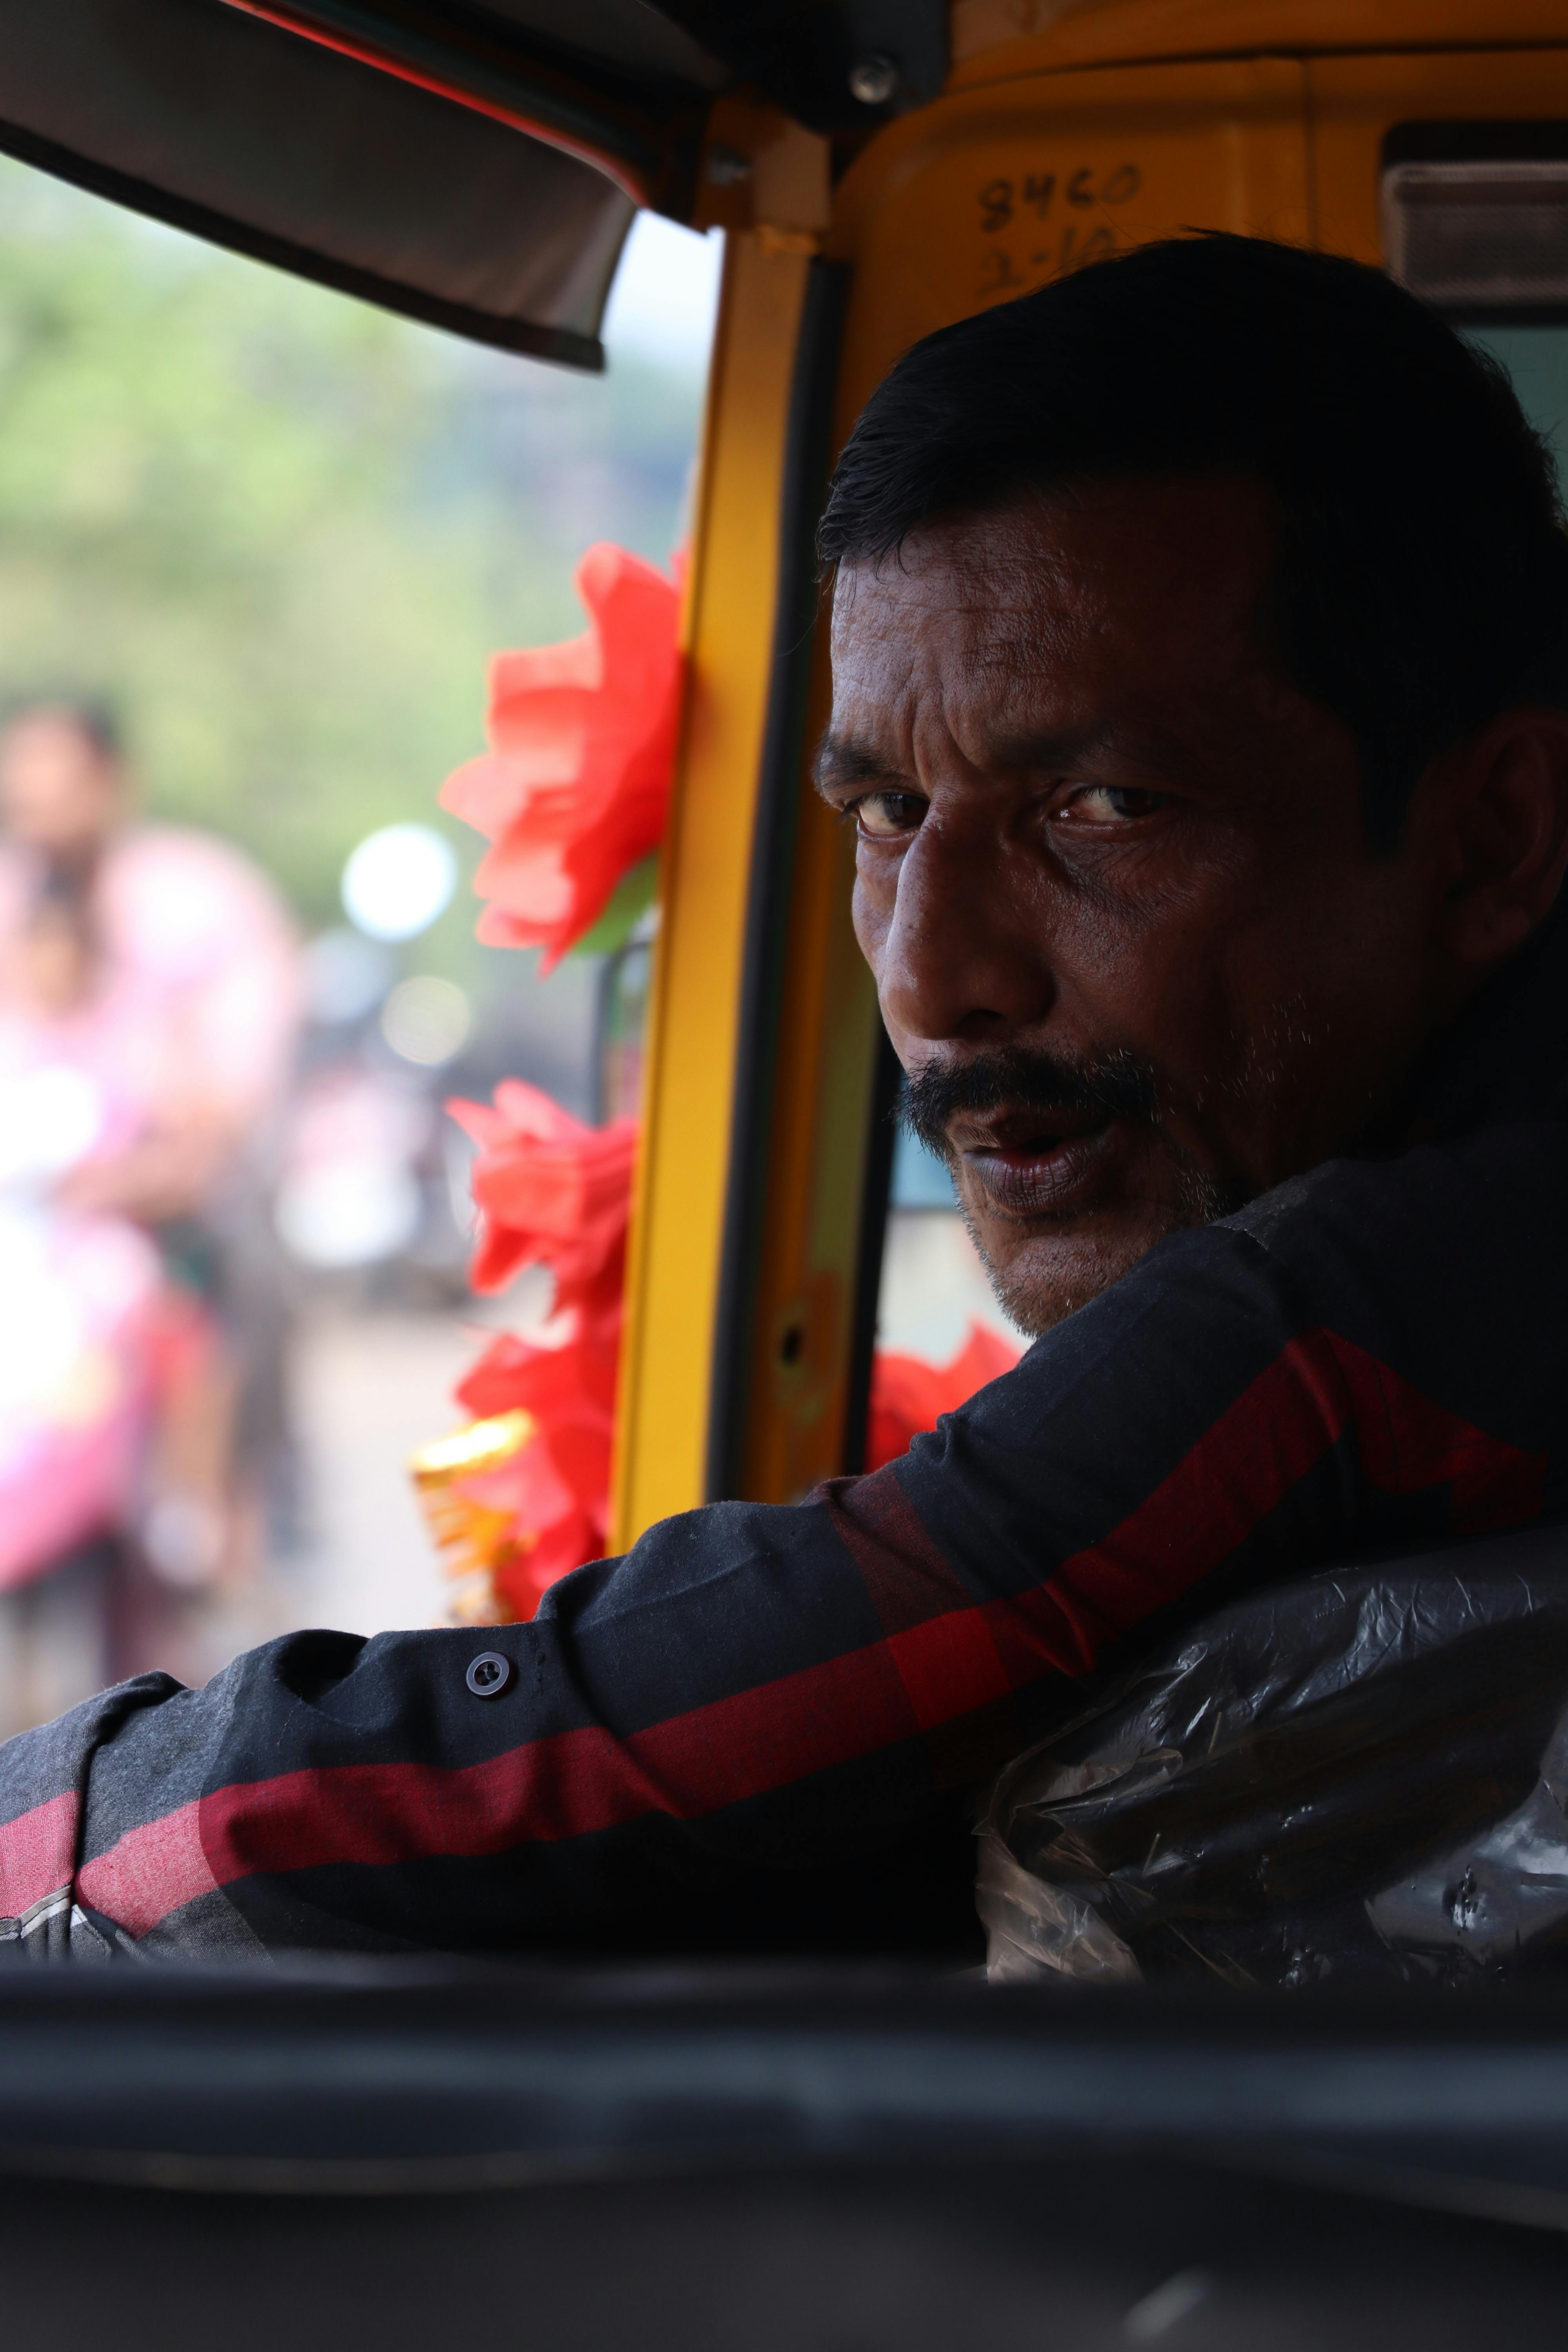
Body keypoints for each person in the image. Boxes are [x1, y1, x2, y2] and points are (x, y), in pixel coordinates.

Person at [5, 232, 1568, 1964]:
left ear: (1490, 838)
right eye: (887, 814)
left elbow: (736, 1683)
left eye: (1105, 808)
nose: (926, 975)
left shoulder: (1404, 1288)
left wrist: (66, 1831)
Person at [0, 702, 301, 1724]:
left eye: (58, 781)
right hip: (38, 1242)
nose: (39, 807)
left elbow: (220, 1101)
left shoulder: (193, 901)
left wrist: (151, 1167)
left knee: (216, 1291)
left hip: (167, 1218)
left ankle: (209, 1509)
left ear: (110, 780)